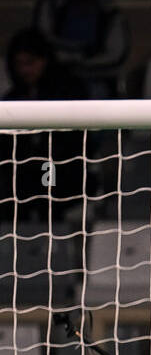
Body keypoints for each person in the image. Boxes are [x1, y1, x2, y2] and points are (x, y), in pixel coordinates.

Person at [2, 27, 88, 221]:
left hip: (59, 170)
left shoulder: (68, 92)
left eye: (30, 63)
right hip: (21, 174)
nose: (25, 70)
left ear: (45, 60)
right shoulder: (12, 98)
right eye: (19, 64)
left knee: (48, 179)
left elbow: (71, 143)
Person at [32, 0, 129, 99]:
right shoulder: (51, 5)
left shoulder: (109, 13)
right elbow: (41, 42)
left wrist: (79, 64)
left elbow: (116, 56)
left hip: (96, 85)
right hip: (54, 83)